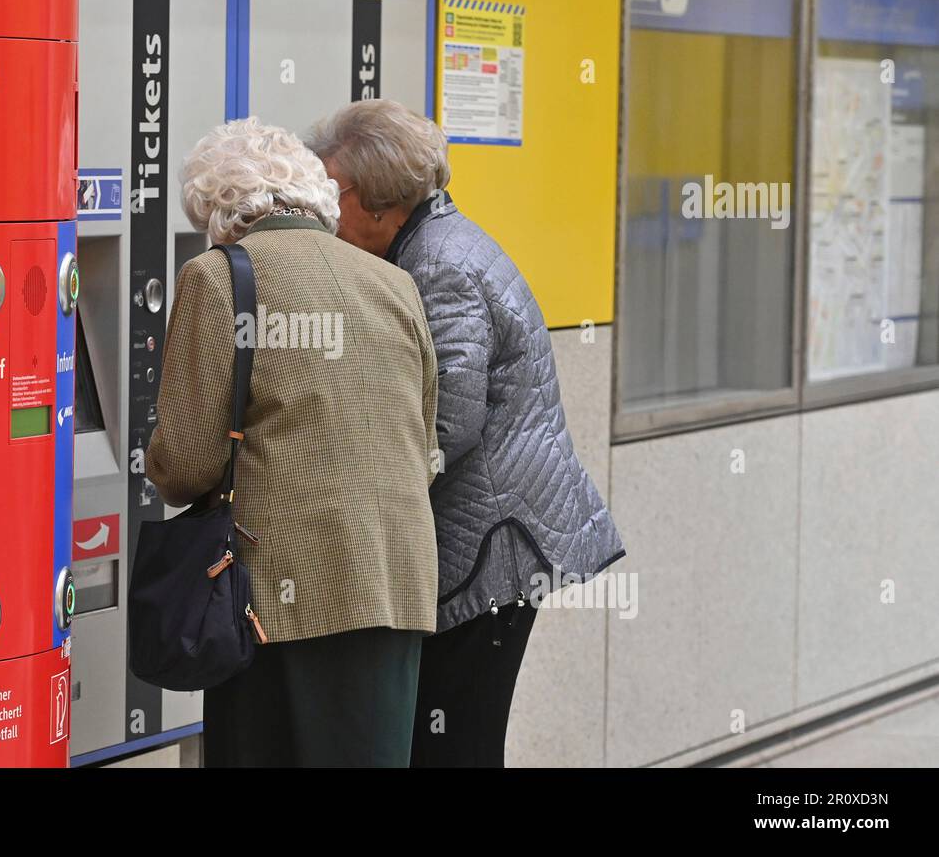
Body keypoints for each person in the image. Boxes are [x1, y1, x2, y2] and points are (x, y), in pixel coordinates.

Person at [306, 99, 626, 767]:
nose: (321, 209)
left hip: (489, 543)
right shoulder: (437, 244)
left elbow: (449, 419)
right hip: (490, 534)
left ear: (374, 201)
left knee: (454, 740)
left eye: (332, 191)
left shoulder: (437, 266)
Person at [144, 116, 441, 767]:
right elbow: (423, 438)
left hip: (280, 596)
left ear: (216, 208)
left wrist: (156, 457)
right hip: (395, 585)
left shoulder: (218, 278)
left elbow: (186, 464)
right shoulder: (395, 283)